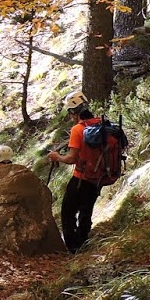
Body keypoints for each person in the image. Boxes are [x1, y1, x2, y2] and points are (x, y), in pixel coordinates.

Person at [46, 91, 103, 254]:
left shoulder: (78, 130)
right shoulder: (99, 122)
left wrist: (57, 156)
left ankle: (73, 247)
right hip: (99, 175)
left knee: (67, 211)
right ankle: (84, 241)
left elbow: (71, 158)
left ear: (73, 112)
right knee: (87, 208)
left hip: (82, 177)